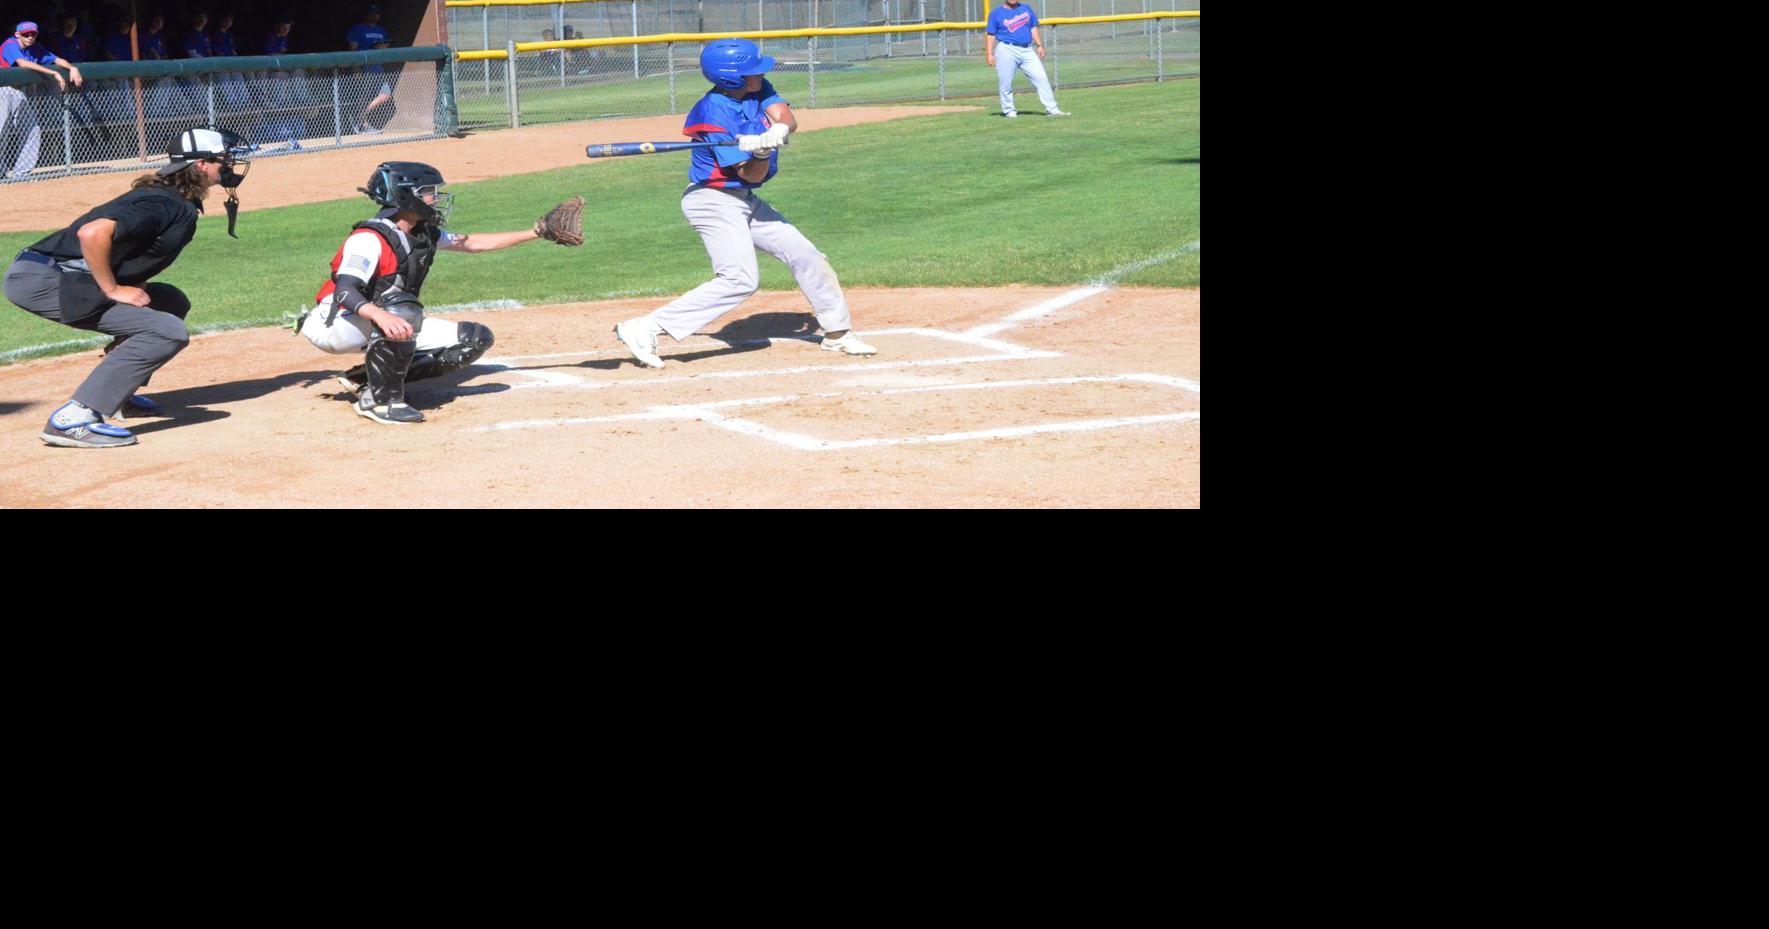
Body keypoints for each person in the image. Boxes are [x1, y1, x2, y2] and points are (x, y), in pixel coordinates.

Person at [611, 38, 876, 370]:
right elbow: (750, 173)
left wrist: (779, 129)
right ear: (731, 77)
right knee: (739, 279)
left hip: (743, 199)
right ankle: (645, 327)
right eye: (753, 71)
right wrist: (761, 153)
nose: (760, 74)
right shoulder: (713, 113)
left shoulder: (756, 87)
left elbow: (785, 116)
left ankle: (837, 333)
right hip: (712, 201)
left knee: (805, 255)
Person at [3, 128, 253, 448]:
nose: (229, 165)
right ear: (202, 164)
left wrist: (128, 287)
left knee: (168, 301)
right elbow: (92, 234)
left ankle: (118, 395)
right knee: (167, 331)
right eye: (223, 159)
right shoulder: (161, 203)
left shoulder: (175, 201)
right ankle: (74, 418)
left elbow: (134, 257)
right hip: (43, 280)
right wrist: (112, 290)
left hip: (58, 275)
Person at [295, 162, 584, 425]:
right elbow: (345, 291)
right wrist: (381, 316)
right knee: (402, 310)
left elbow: (473, 243)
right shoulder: (369, 239)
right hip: (337, 324)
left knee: (473, 340)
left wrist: (536, 232)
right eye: (429, 192)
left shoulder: (421, 233)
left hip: (374, 321)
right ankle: (380, 402)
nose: (435, 199)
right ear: (405, 196)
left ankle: (366, 380)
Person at [2, 20, 85, 180]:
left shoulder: (35, 47)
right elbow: (22, 63)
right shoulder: (10, 44)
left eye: (33, 34)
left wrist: (72, 68)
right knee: (1, 132)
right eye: (26, 34)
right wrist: (53, 73)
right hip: (2, 89)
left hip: (18, 91)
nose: (30, 37)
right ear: (18, 34)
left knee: (32, 130)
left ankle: (21, 174)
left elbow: (57, 60)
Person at [984, 0, 1068, 119]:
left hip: (1027, 49)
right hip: (1007, 48)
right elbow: (991, 34)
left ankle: (1053, 109)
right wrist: (989, 53)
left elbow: (1033, 27)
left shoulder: (1026, 8)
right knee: (1005, 83)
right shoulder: (996, 13)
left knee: (1041, 78)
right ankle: (1009, 111)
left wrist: (1039, 45)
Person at [344, 4, 392, 134]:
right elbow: (352, 50)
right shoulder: (358, 29)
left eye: (377, 13)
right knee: (363, 97)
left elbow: (386, 48)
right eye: (372, 13)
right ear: (367, 15)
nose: (375, 16)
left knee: (385, 95)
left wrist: (383, 49)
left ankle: (360, 117)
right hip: (364, 68)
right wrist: (356, 70)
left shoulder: (381, 30)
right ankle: (361, 124)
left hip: (378, 69)